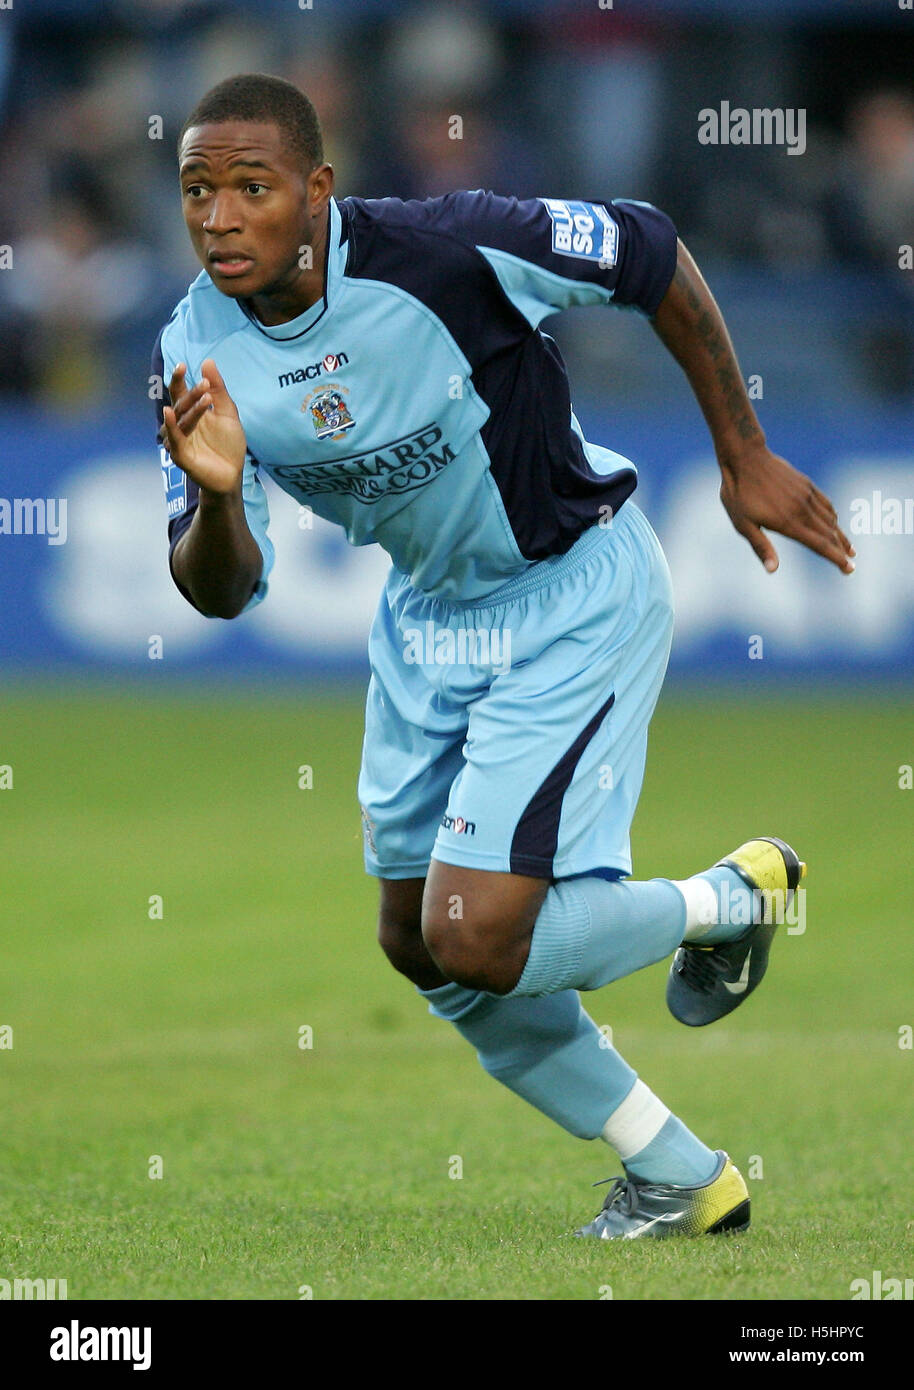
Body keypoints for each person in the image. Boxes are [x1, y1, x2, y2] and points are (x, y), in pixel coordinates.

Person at [155, 73, 853, 1239]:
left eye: (251, 188)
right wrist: (221, 499)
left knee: (474, 932)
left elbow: (648, 253)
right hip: (430, 620)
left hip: (570, 591)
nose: (219, 218)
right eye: (195, 192)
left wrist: (740, 450)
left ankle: (730, 900)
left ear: (316, 191)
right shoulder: (192, 348)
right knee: (414, 941)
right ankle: (679, 1174)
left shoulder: (446, 249)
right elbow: (219, 590)